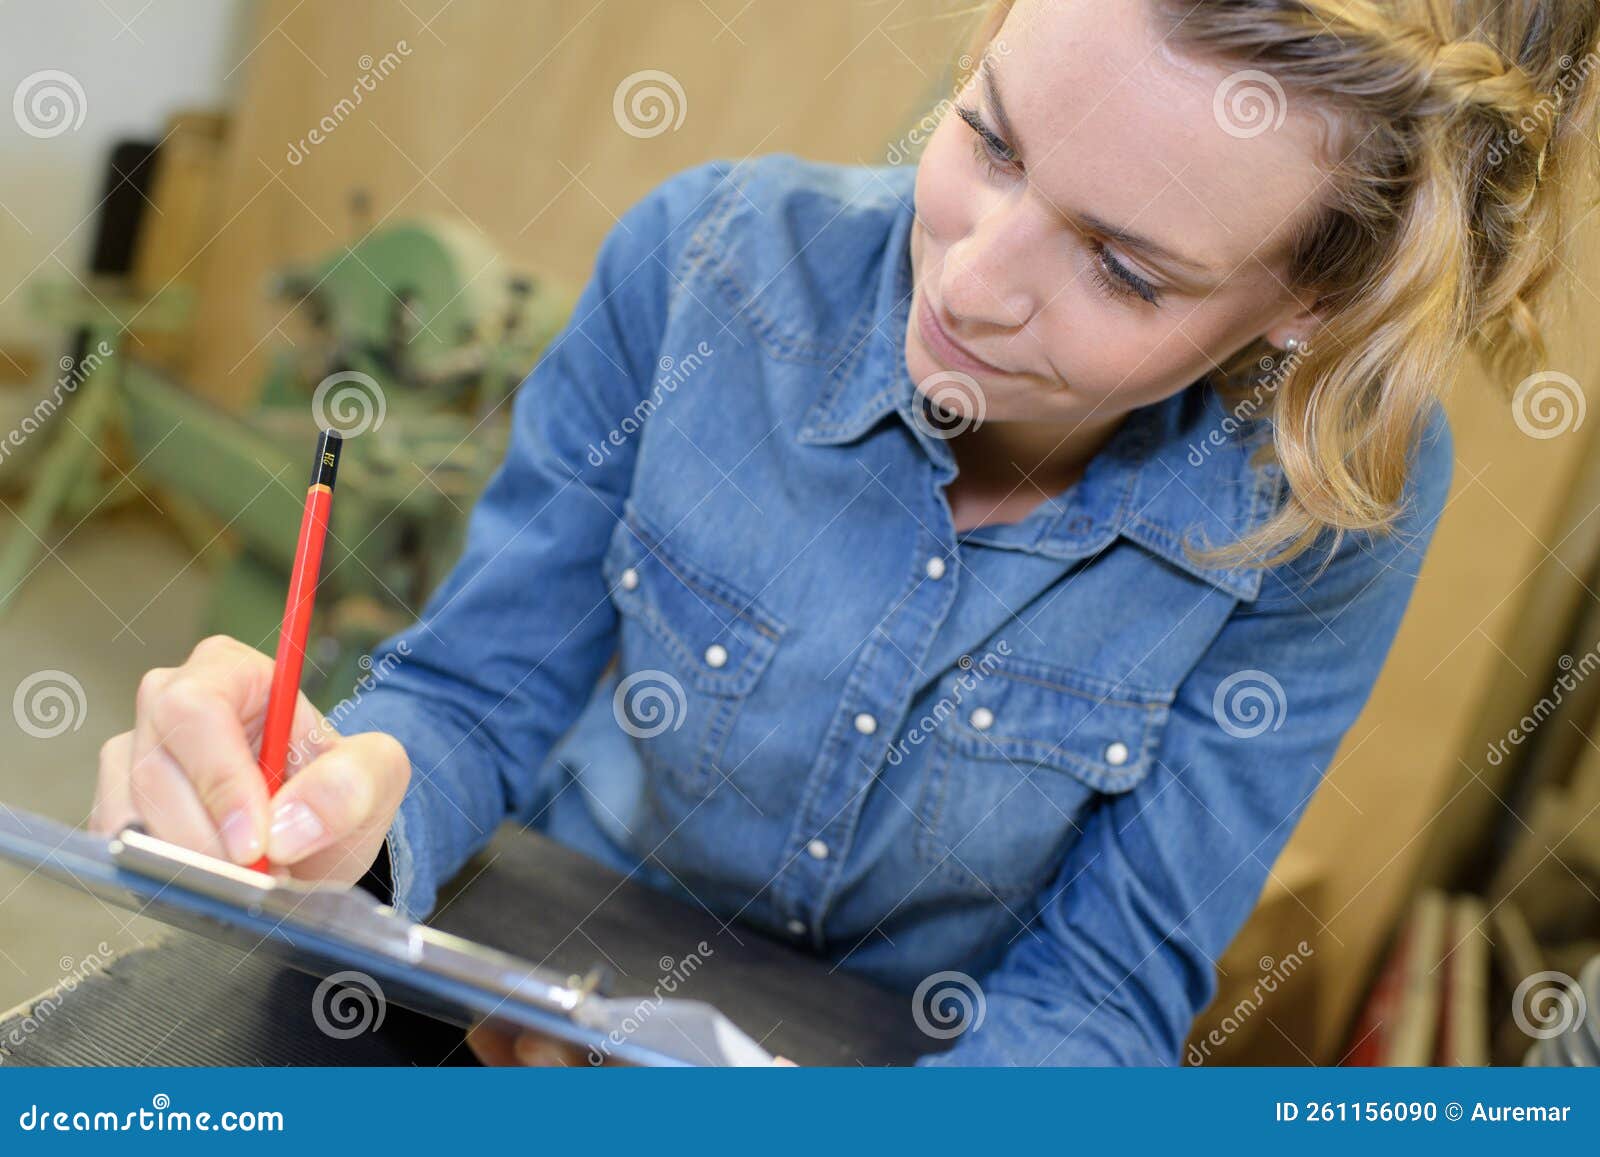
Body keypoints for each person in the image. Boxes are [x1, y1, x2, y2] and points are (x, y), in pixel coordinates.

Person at [92, 0, 1600, 1066]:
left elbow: (1101, 990)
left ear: (1305, 310)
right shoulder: (702, 268)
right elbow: (475, 695)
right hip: (522, 979)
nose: (978, 285)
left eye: (1126, 270)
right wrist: (337, 811)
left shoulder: (1329, 511)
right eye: (992, 141)